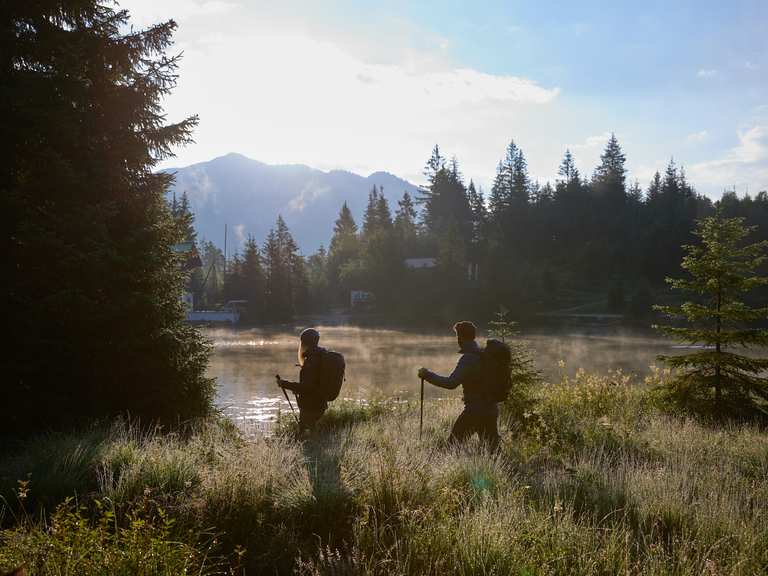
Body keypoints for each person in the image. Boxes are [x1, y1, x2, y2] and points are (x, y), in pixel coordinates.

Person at [418, 321, 500, 450]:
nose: (457, 339)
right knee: (493, 452)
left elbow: (451, 383)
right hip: (491, 409)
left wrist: (428, 375)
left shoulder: (468, 358)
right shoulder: (484, 355)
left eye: (457, 336)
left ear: (460, 337)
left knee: (452, 447)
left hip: (474, 411)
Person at [276, 328, 328, 434]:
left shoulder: (311, 361)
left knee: (306, 437)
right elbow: (314, 384)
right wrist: (298, 389)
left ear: (305, 343)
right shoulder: (321, 356)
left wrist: (284, 384)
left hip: (311, 406)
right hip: (320, 403)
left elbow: (307, 387)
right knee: (312, 435)